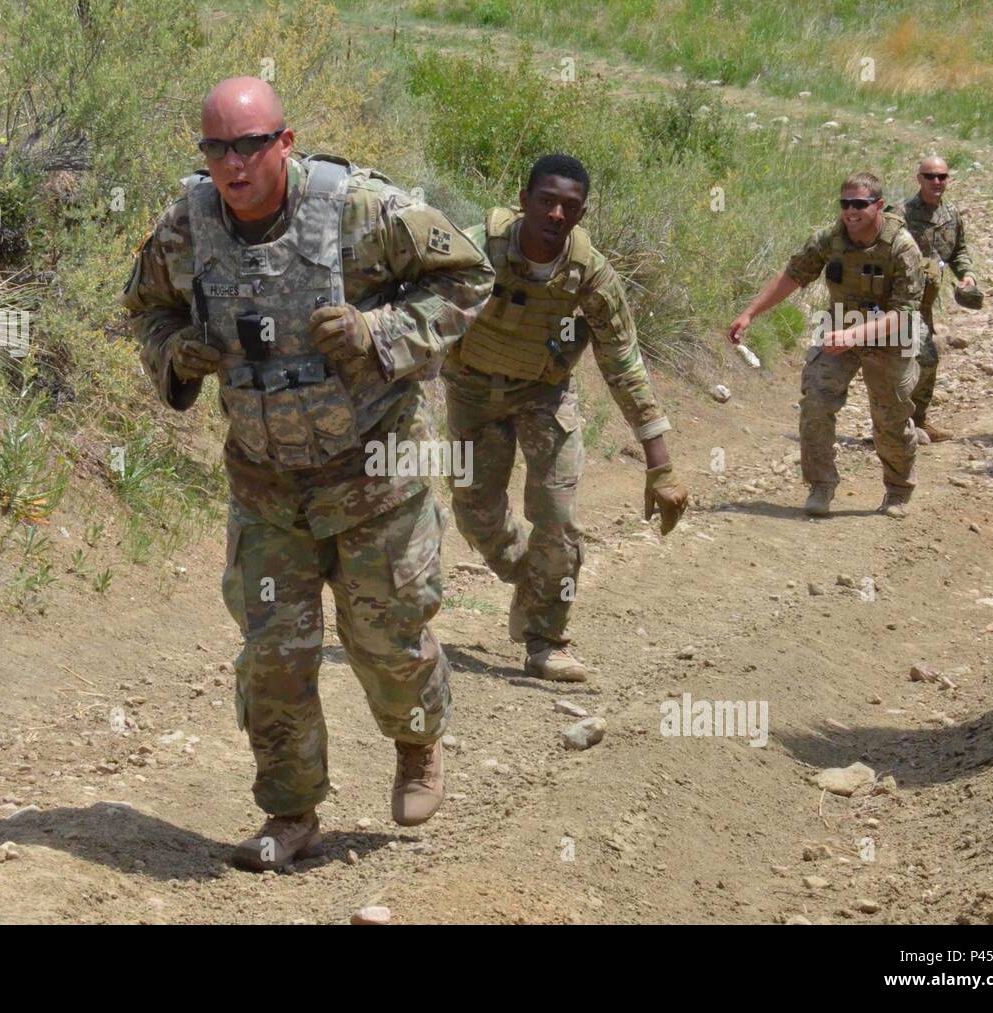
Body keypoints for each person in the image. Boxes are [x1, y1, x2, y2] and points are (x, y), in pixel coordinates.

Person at [120, 77, 494, 871]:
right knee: (274, 656)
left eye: (251, 145)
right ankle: (291, 812)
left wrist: (379, 329)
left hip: (376, 477)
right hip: (267, 485)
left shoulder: (362, 212)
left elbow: (467, 279)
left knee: (385, 640)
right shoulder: (187, 225)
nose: (234, 163)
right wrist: (174, 352)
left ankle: (417, 740)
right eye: (217, 147)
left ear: (284, 143)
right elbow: (147, 308)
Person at [443, 154, 688, 683]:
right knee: (475, 513)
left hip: (545, 395)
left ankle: (545, 640)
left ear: (581, 213)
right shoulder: (475, 249)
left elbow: (624, 363)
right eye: (546, 201)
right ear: (525, 198)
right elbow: (418, 313)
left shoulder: (590, 273)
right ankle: (533, 581)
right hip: (471, 391)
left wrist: (660, 462)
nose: (556, 214)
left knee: (557, 518)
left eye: (569, 207)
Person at [728, 172, 924, 519]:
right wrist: (750, 313)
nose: (851, 211)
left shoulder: (901, 247)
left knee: (890, 417)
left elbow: (904, 315)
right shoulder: (830, 238)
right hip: (839, 331)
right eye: (845, 204)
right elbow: (793, 275)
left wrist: (855, 335)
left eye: (860, 204)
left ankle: (898, 489)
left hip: (889, 338)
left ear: (878, 205)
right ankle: (820, 485)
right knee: (815, 402)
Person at [893, 156, 979, 442]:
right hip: (899, 303)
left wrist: (967, 276)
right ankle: (894, 425)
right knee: (913, 361)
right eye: (930, 176)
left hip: (925, 304)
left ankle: (915, 421)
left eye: (942, 176)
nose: (936, 182)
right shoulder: (902, 214)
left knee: (925, 361)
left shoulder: (951, 215)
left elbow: (958, 251)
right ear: (919, 178)